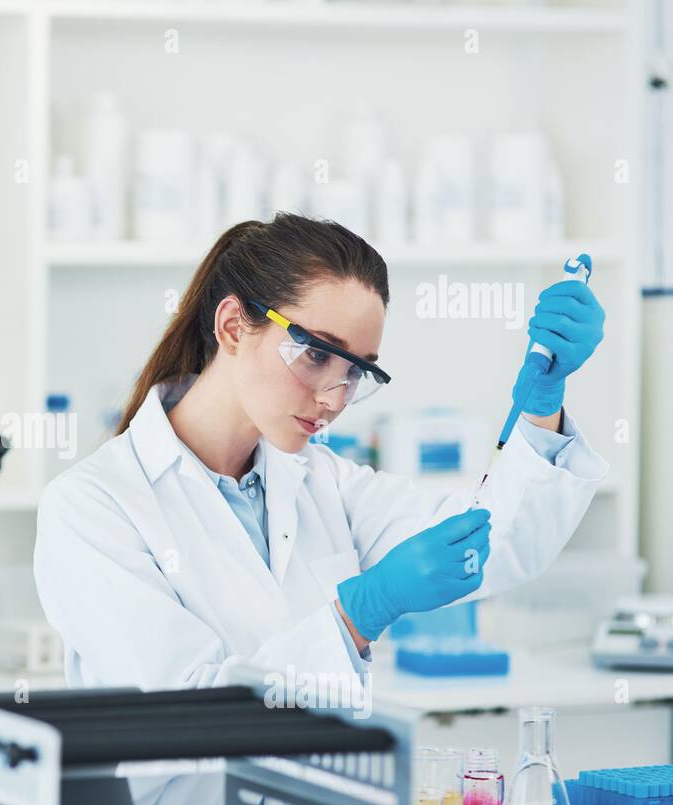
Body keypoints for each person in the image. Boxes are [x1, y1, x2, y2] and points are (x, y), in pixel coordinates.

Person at [33, 214, 608, 691]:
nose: (334, 399)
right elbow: (180, 709)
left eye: (356, 371)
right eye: (315, 355)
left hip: (332, 797)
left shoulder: (323, 482)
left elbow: (492, 546)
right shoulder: (94, 507)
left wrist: (542, 405)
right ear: (232, 327)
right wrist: (355, 617)